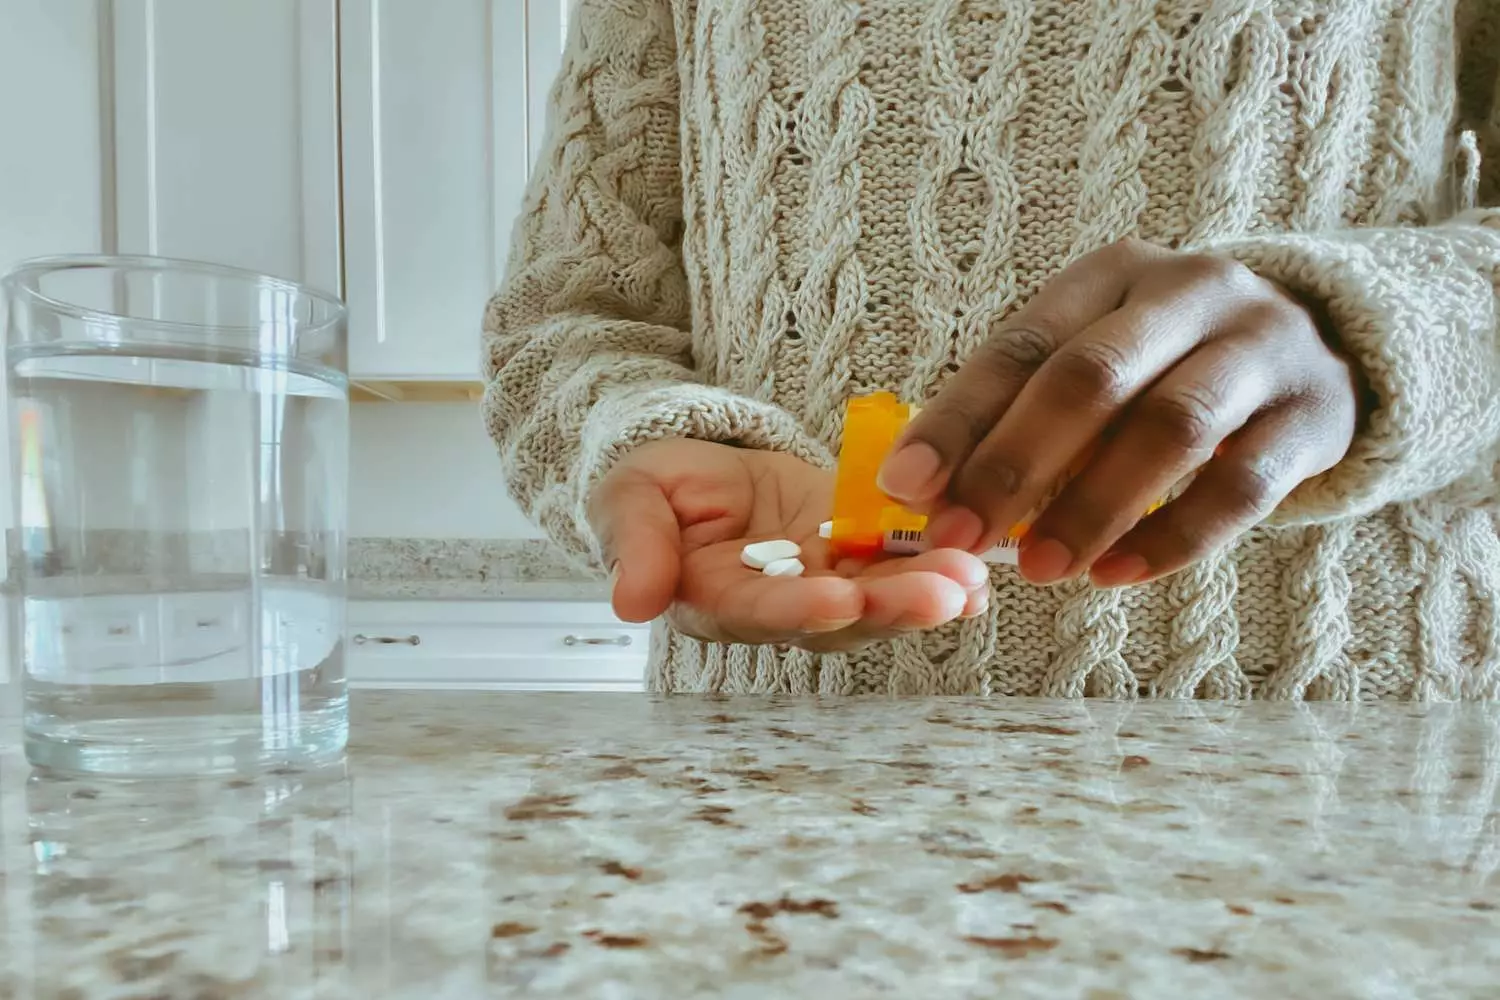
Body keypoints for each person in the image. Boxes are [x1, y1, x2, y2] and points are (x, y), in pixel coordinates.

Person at [482, 0, 1500, 699]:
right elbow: (568, 308)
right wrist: (648, 434)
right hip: (784, 771)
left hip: (1339, 754)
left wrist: (1374, 341)